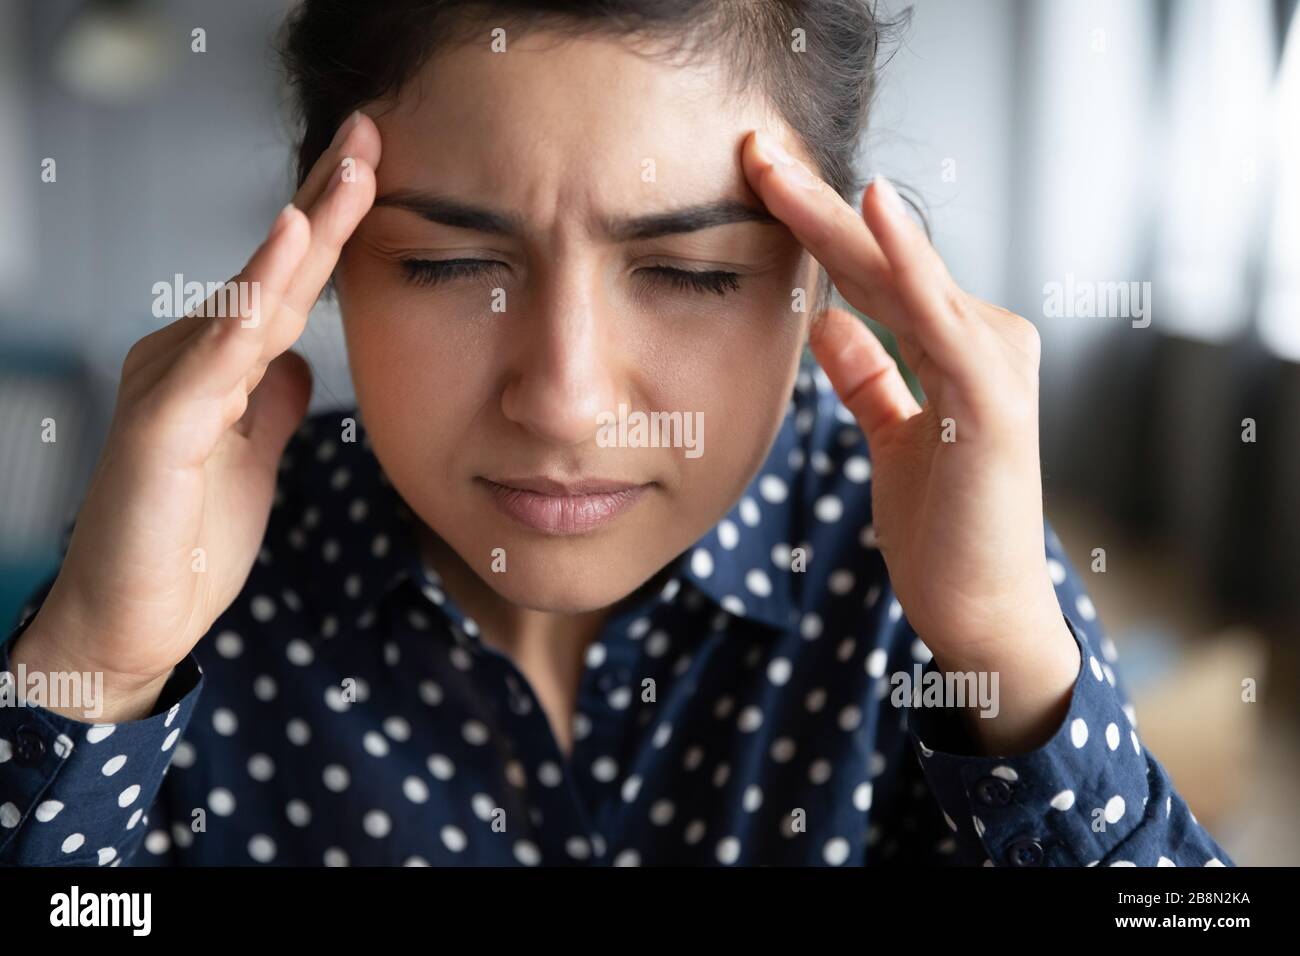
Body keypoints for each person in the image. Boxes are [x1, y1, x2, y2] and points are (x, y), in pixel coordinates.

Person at [0, 0, 1232, 866]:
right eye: (445, 264)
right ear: (317, 257)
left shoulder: (938, 589)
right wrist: (97, 673)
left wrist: (1010, 664)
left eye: (691, 272)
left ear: (822, 270)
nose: (566, 398)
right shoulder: (192, 576)